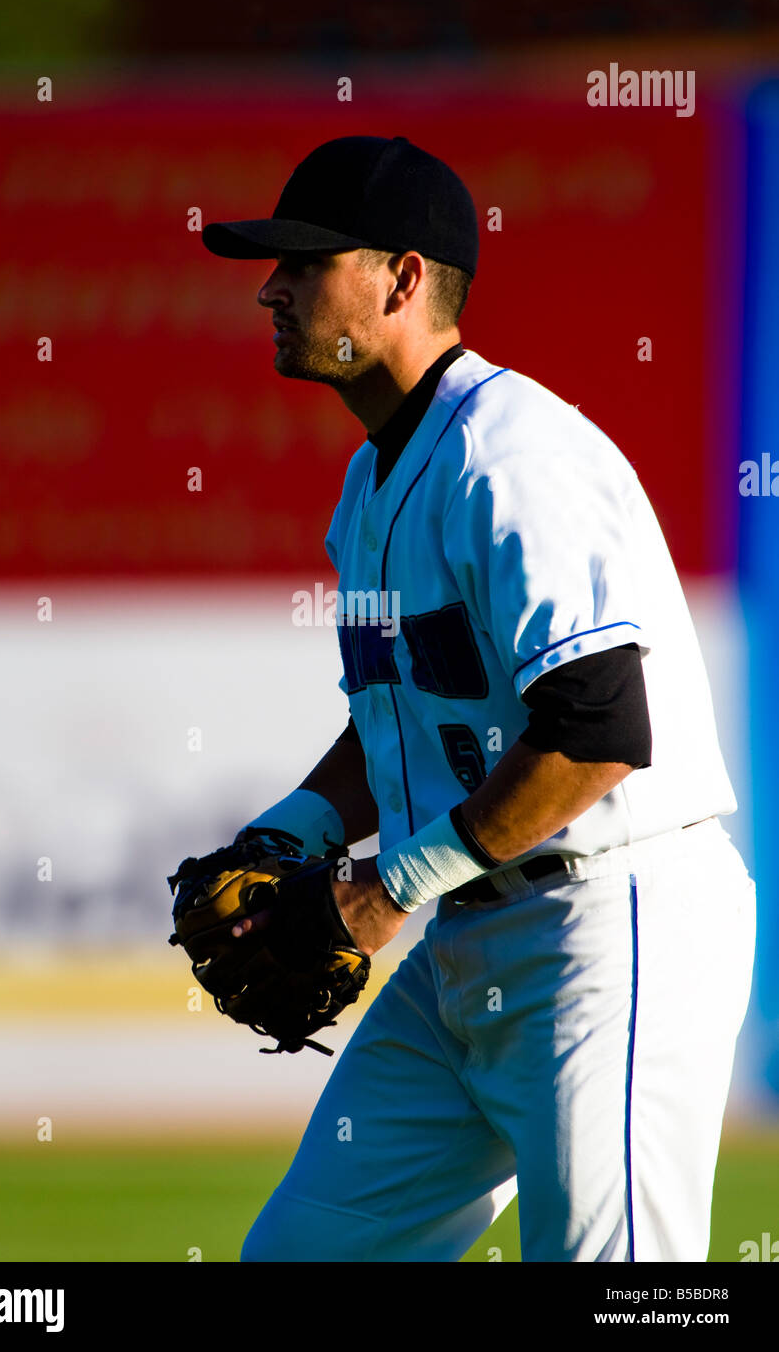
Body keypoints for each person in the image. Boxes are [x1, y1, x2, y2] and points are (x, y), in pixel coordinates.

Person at [200, 134, 756, 1262]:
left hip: (610, 924)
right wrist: (286, 831)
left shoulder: (511, 459)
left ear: (402, 280)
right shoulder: (371, 481)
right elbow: (395, 710)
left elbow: (600, 728)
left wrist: (383, 893)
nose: (271, 286)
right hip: (469, 935)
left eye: (305, 262)